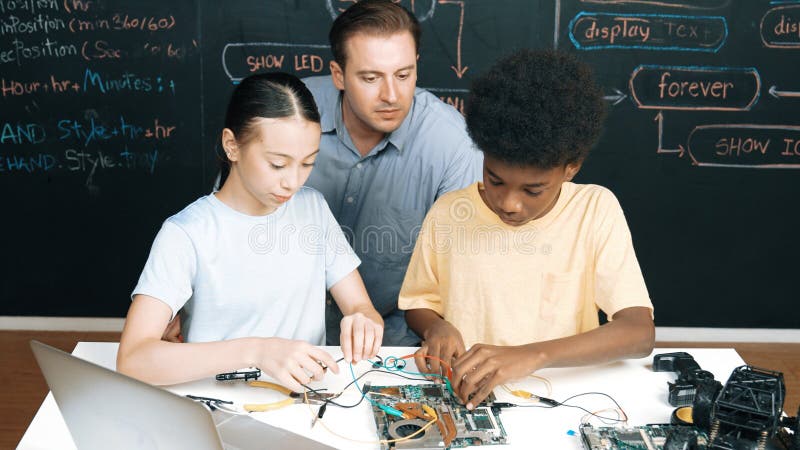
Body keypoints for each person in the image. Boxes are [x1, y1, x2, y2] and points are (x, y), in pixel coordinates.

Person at [398, 49, 655, 409]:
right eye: (495, 180)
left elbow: (638, 333)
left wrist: (530, 355)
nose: (509, 203)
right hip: (469, 396)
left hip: (563, 397)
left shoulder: (595, 210)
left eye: (533, 190)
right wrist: (435, 328)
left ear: (570, 168)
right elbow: (419, 303)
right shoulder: (449, 212)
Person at [117, 73, 383, 392]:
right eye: (277, 164)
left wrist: (363, 320)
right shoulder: (187, 233)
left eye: (307, 163)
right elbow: (133, 359)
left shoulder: (313, 209)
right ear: (232, 145)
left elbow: (361, 308)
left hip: (306, 401)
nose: (293, 182)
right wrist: (257, 350)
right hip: (216, 403)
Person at [302, 0, 482, 346]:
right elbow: (231, 216)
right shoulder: (290, 110)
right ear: (338, 75)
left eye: (404, 75)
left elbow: (460, 269)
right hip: (285, 333)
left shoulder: (452, 143)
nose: (391, 95)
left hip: (393, 341)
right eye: (371, 78)